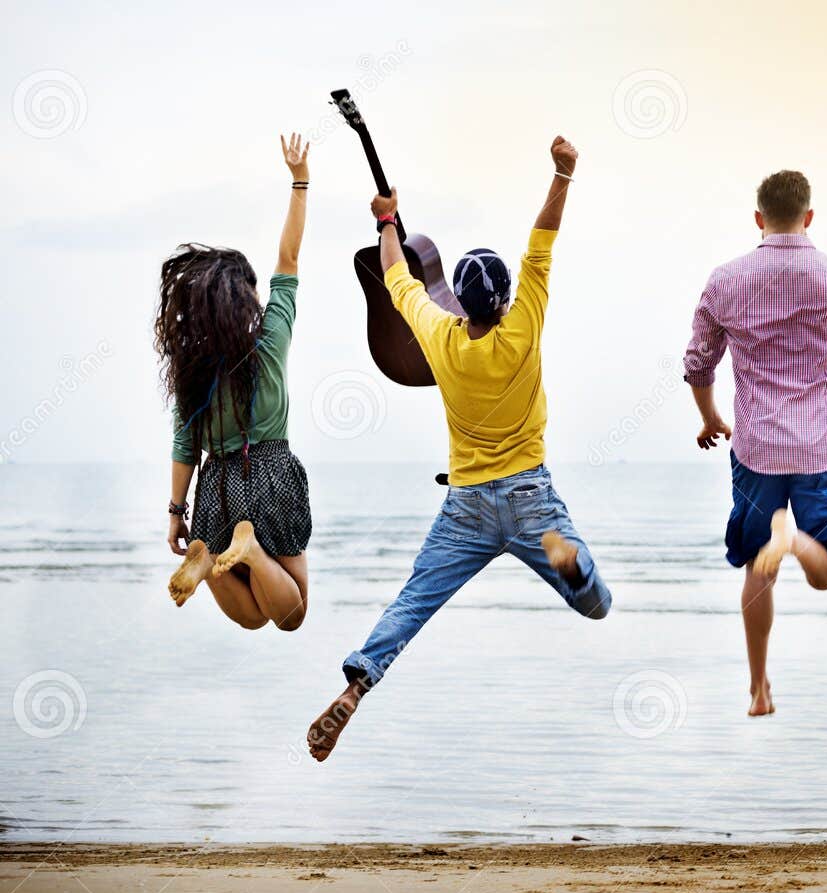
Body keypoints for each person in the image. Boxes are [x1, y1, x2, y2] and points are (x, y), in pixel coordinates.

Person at [306, 135, 611, 761]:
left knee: (413, 602)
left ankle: (360, 682)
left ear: (462, 304)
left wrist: (386, 220)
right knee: (597, 606)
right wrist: (562, 173)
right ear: (502, 302)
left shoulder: (441, 337)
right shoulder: (523, 326)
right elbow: (540, 246)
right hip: (530, 498)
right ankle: (570, 565)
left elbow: (398, 279)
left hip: (466, 506)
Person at [683, 170, 827, 716]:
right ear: (809, 216)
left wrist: (709, 418)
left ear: (758, 219)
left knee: (756, 567)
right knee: (825, 577)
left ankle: (758, 686)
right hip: (821, 449)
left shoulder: (726, 280)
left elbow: (699, 363)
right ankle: (795, 542)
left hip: (755, 448)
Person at [161, 133, 314, 631]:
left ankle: (209, 560)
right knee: (290, 614)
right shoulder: (269, 339)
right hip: (268, 470)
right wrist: (300, 181)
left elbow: (186, 443)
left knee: (251, 619)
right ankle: (244, 550)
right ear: (245, 297)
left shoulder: (193, 367)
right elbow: (288, 259)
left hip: (215, 489)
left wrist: (176, 513)